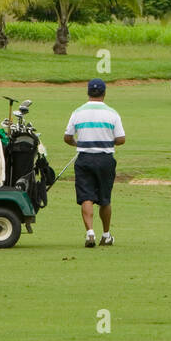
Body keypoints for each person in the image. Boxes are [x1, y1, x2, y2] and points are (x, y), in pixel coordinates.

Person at [63, 78, 126, 247]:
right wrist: (106, 140)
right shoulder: (112, 113)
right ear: (104, 93)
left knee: (86, 196)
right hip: (105, 159)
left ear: (88, 92)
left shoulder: (77, 112)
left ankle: (90, 232)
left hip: (84, 158)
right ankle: (106, 235)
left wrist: (79, 143)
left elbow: (67, 137)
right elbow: (121, 139)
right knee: (104, 199)